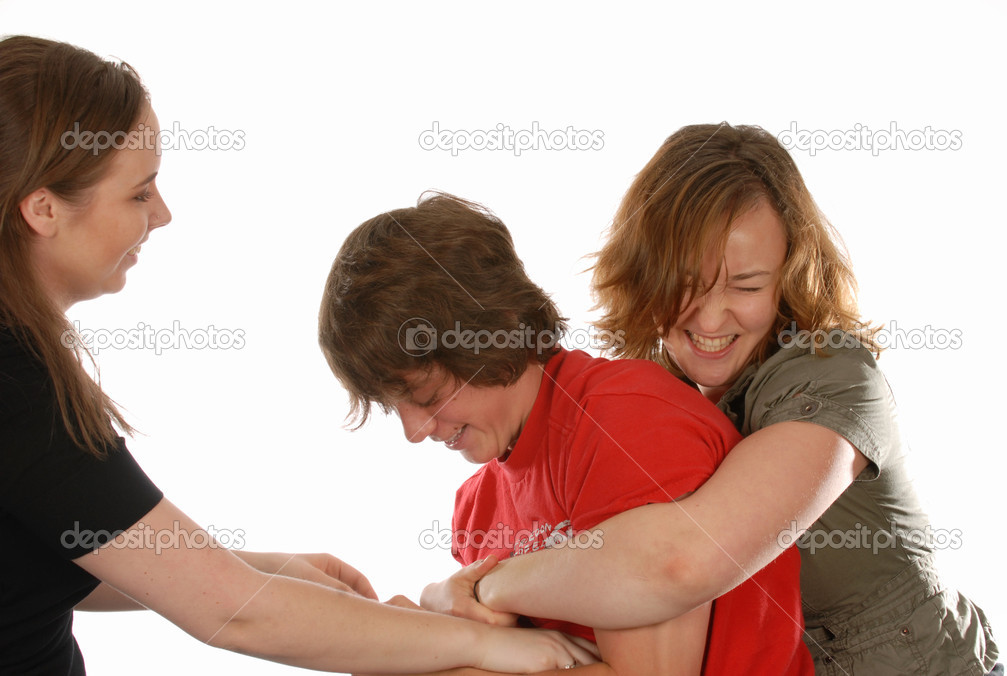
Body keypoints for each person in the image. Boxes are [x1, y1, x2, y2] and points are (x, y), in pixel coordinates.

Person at [0, 34, 596, 675]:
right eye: (140, 193)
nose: (163, 213)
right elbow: (235, 613)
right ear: (44, 209)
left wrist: (264, 569)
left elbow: (64, 558)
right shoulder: (15, 386)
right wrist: (483, 645)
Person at [428, 124, 1001, 675]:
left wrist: (490, 584)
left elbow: (682, 561)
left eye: (746, 286)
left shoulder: (837, 379)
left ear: (790, 276)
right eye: (685, 285)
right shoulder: (644, 400)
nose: (708, 319)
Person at [317, 192, 815, 675]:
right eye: (395, 407)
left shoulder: (624, 421)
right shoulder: (474, 513)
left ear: (494, 334)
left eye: (427, 396)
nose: (414, 431)